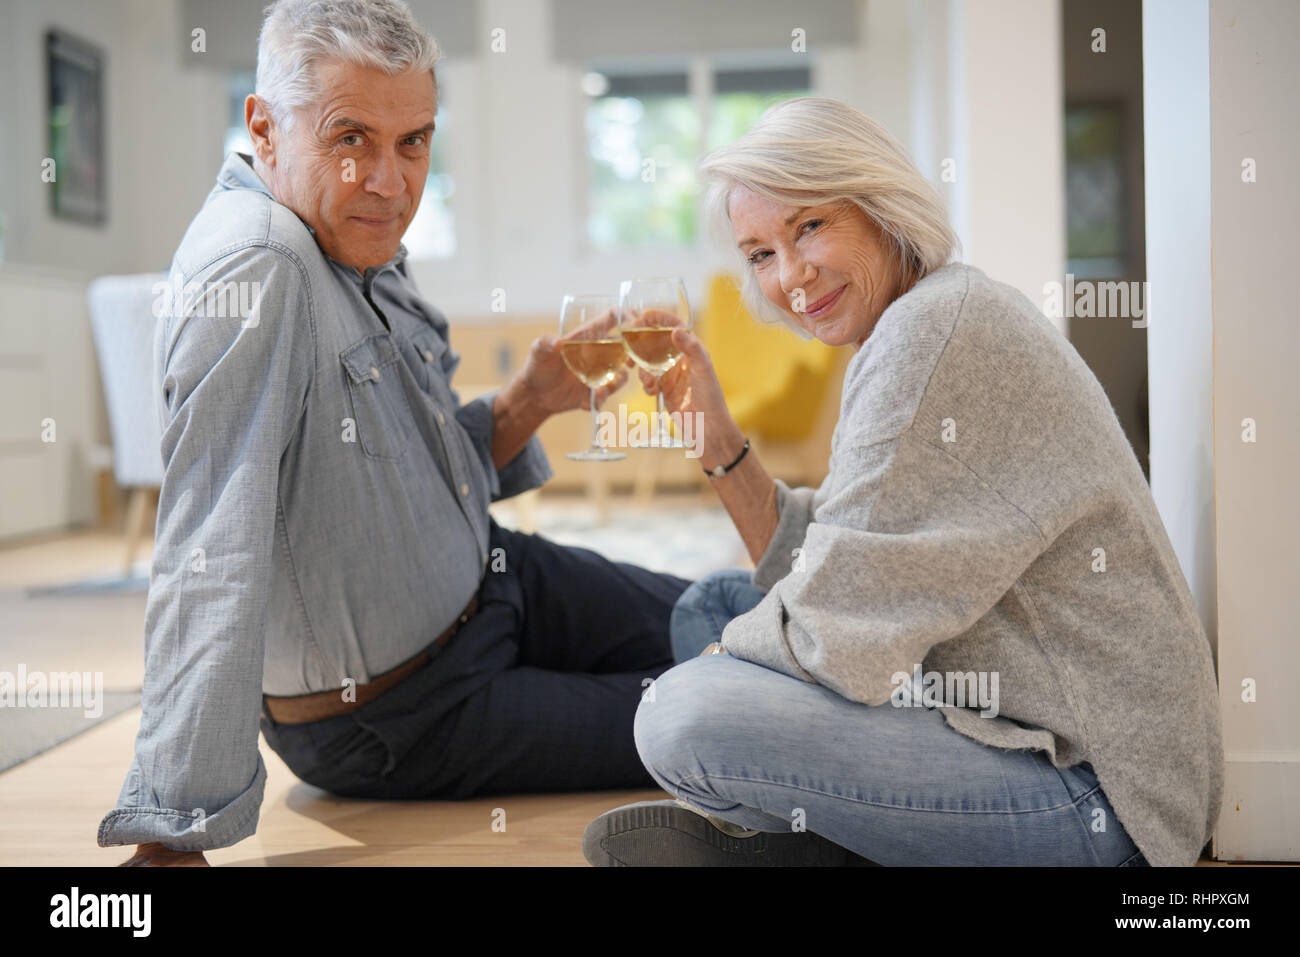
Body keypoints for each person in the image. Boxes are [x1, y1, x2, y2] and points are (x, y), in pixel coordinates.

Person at [104, 0, 689, 867]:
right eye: (351, 139)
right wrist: (172, 836)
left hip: (497, 579)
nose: (391, 181)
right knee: (718, 705)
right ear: (264, 127)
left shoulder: (353, 235)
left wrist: (527, 400)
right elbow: (210, 551)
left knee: (743, 619)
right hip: (407, 709)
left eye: (413, 140)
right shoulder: (261, 267)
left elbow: (403, 468)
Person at [583, 97, 1223, 867]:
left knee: (678, 715)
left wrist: (727, 669)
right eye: (760, 254)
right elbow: (834, 561)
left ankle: (807, 845)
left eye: (809, 226)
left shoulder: (933, 331)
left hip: (1097, 799)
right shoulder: (927, 315)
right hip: (999, 717)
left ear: (877, 203)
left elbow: (831, 633)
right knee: (711, 606)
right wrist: (718, 441)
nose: (790, 275)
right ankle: (828, 839)